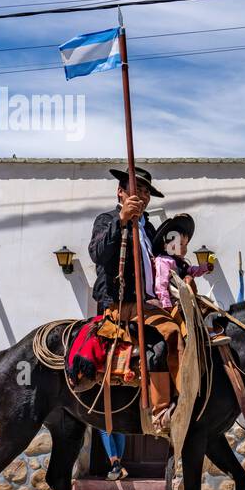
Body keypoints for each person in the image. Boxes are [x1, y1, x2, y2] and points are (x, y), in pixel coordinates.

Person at [88, 166, 180, 434]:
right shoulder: (106, 219)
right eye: (134, 188)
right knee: (169, 334)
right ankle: (162, 411)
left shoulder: (148, 227)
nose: (140, 194)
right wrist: (121, 219)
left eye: (145, 190)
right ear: (120, 192)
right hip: (123, 304)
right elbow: (98, 254)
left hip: (150, 303)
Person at [150, 213, 213, 311]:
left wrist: (204, 268)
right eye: (180, 244)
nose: (184, 249)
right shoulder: (164, 261)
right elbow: (161, 283)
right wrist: (166, 303)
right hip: (173, 303)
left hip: (185, 301)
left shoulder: (181, 263)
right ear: (166, 245)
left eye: (186, 244)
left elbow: (192, 271)